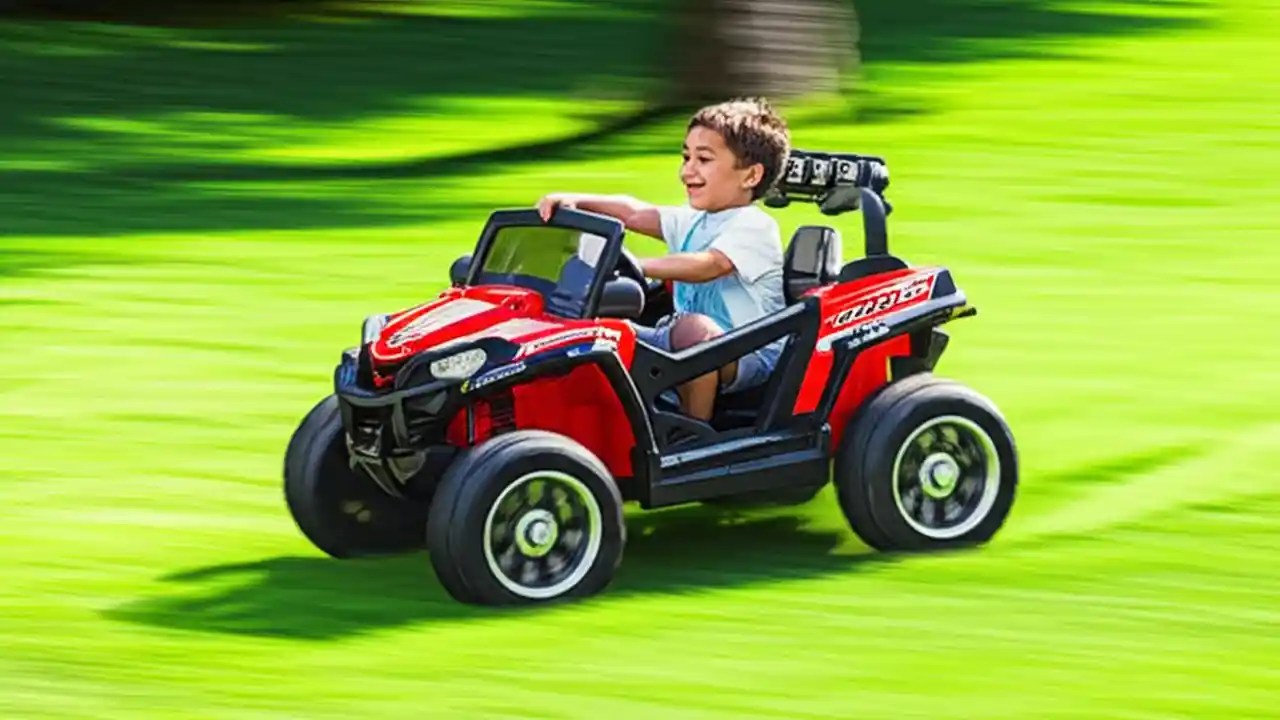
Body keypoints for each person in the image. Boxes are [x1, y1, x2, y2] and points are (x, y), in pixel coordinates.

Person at [536, 97, 791, 422]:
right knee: (599, 333)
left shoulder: (754, 226)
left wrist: (636, 267)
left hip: (748, 352)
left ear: (750, 176)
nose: (687, 171)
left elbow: (709, 265)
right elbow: (634, 211)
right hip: (678, 335)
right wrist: (574, 199)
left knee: (693, 330)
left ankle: (691, 433)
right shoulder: (694, 219)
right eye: (686, 157)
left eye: (704, 159)